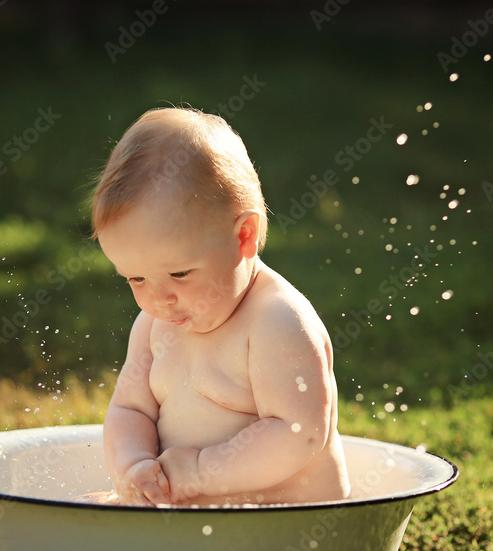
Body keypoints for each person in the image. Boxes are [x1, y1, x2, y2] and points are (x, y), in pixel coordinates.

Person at [76, 107, 350, 507]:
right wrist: (133, 467)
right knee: (85, 511)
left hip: (291, 524)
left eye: (180, 273)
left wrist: (200, 472)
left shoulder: (276, 321)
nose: (158, 298)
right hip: (199, 523)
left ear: (244, 236)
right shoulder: (155, 324)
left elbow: (298, 431)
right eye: (136, 279)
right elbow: (129, 410)